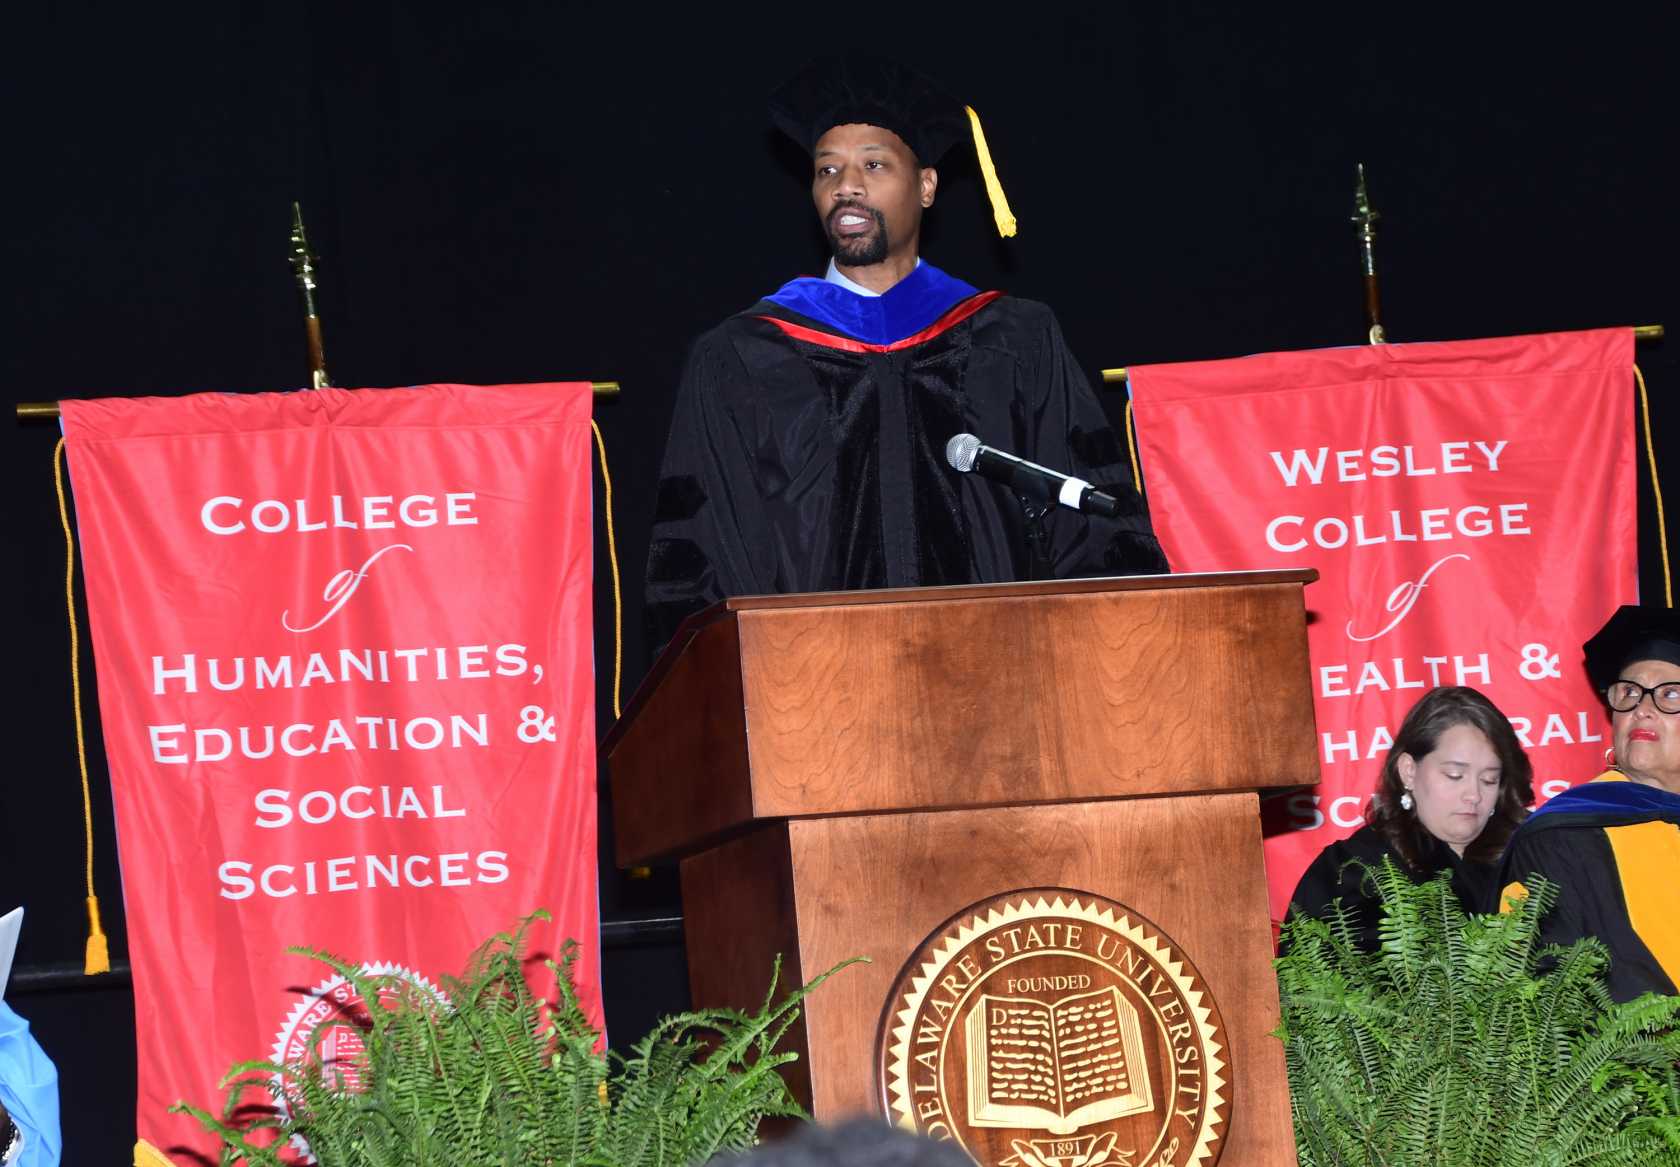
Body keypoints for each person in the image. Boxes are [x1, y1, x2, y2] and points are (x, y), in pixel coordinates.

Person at [644, 56, 1167, 651]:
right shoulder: (743, 356)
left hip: (1002, 669)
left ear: (926, 186)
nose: (845, 185)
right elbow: (705, 556)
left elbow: (1094, 533)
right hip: (816, 682)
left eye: (873, 165)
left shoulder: (1014, 339)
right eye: (827, 169)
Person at [1498, 605, 1680, 1001]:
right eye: (1629, 693)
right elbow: (1544, 998)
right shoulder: (1560, 836)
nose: (1642, 709)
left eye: (1669, 694)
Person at [1289, 686, 1534, 950]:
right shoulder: (1353, 871)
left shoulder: (1528, 859)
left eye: (1489, 779)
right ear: (1408, 771)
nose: (1473, 794)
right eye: (1454, 775)